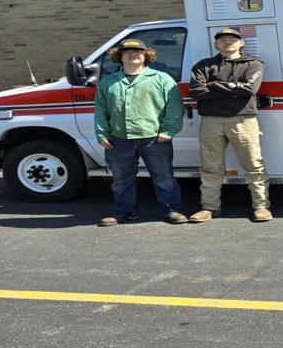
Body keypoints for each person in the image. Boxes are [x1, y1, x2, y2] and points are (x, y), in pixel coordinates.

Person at [93, 38, 186, 226]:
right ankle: (123, 212)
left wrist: (168, 130)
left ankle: (172, 210)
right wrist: (102, 134)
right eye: (127, 51)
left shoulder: (162, 79)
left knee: (163, 177)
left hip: (154, 138)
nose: (133, 53)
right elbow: (100, 110)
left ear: (146, 55)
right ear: (120, 57)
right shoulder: (108, 82)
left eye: (138, 51)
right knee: (121, 180)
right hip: (118, 139)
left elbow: (175, 107)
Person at [189, 28, 271, 223]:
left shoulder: (254, 64)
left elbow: (250, 89)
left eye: (232, 39)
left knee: (253, 165)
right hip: (211, 120)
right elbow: (196, 92)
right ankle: (209, 207)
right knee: (210, 166)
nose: (228, 43)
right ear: (216, 44)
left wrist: (214, 85)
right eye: (223, 40)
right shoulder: (203, 65)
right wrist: (234, 88)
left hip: (243, 119)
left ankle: (261, 207)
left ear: (241, 43)